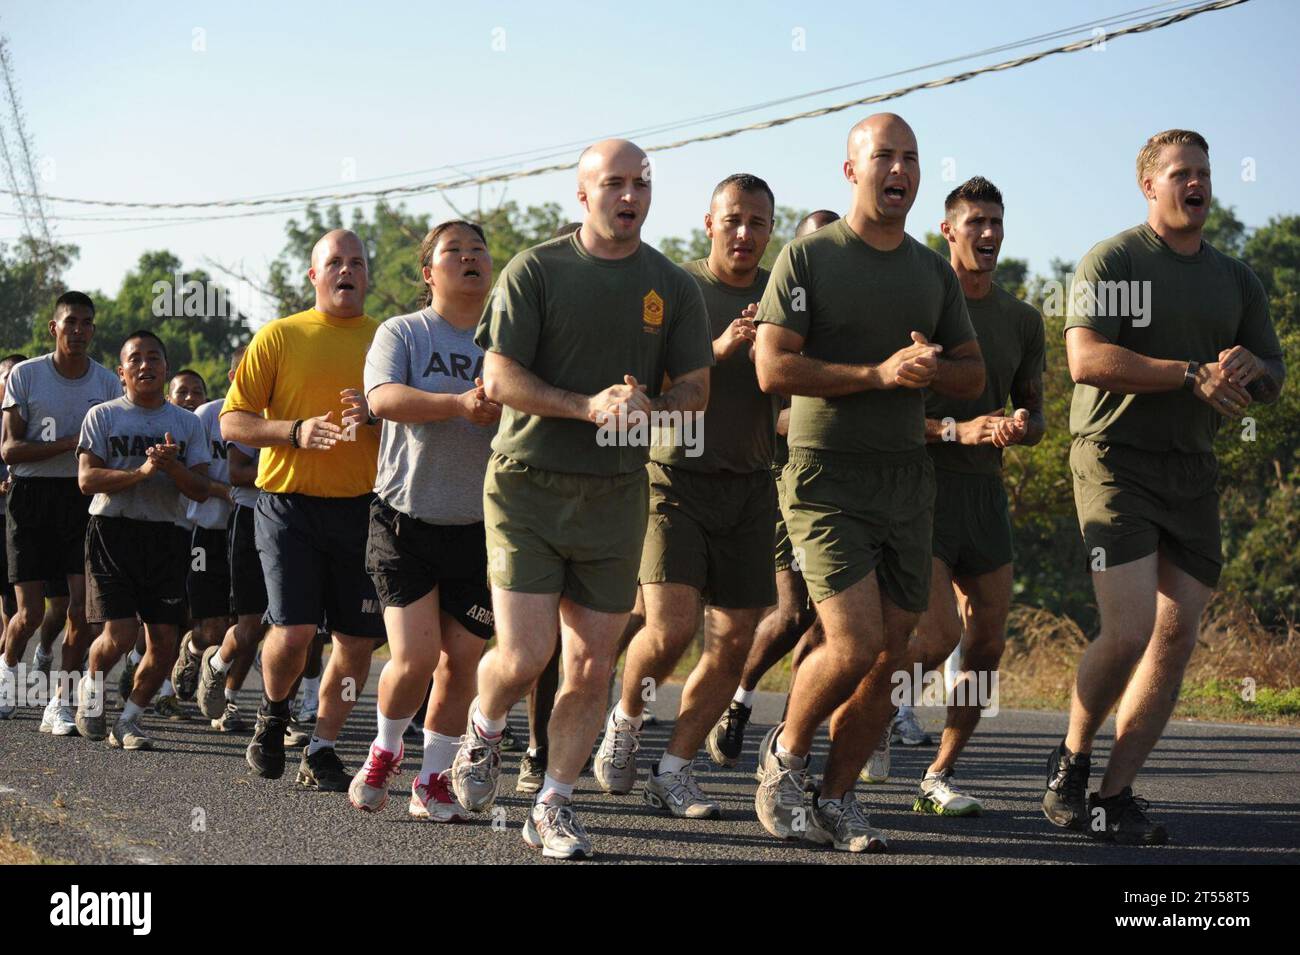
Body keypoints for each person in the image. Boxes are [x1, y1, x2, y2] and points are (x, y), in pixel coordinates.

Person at [453, 138, 712, 859]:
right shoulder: (537, 269)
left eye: (641, 183)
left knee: (592, 663)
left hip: (616, 493)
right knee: (526, 652)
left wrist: (651, 407)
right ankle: (483, 727)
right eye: (614, 183)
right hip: (527, 484)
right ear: (584, 193)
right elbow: (499, 378)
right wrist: (585, 405)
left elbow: (697, 390)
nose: (629, 196)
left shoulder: (673, 287)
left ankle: (554, 803)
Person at [752, 113, 984, 852]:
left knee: (896, 651)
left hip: (906, 481)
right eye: (883, 155)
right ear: (852, 170)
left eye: (911, 157)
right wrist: (878, 374)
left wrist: (930, 368)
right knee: (851, 641)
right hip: (826, 475)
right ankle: (785, 758)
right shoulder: (810, 258)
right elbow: (772, 367)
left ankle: (840, 794)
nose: (900, 168)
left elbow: (975, 374)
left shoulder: (930, 271)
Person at [1045, 129, 1285, 844]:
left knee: (1175, 636)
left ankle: (1113, 796)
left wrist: (1252, 368)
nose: (1197, 183)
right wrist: (1188, 372)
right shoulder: (1115, 259)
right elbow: (1086, 358)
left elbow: (1272, 374)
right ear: (1150, 186)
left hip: (1191, 470)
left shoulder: (1237, 278)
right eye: (1181, 172)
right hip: (1114, 458)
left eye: (1205, 172)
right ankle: (1071, 761)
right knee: (1129, 629)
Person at [601, 173, 778, 819]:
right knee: (671, 625)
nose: (744, 233)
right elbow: (640, 381)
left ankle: (675, 768)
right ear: (709, 223)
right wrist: (721, 348)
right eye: (732, 220)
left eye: (757, 223)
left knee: (734, 640)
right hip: (673, 479)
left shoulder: (781, 294)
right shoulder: (675, 289)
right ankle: (624, 719)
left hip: (752, 483)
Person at [347, 220, 501, 821]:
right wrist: (459, 404)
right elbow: (382, 400)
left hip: (480, 530)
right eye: (454, 252)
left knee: (462, 661)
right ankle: (386, 749)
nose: (469, 260)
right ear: (428, 272)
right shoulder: (403, 332)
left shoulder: (508, 341)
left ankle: (432, 780)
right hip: (404, 520)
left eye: (479, 251)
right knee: (414, 657)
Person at [222, 229, 385, 791]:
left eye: (357, 263)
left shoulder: (388, 341)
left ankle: (322, 747)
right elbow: (233, 422)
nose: (346, 271)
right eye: (334, 263)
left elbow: (416, 419)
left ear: (368, 275)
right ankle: (272, 714)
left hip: (364, 510)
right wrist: (293, 431)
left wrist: (379, 416)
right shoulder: (279, 336)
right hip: (287, 506)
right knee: (293, 632)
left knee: (356, 643)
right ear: (313, 276)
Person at [903, 176, 1045, 815]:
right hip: (920, 489)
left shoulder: (1021, 318)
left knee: (986, 642)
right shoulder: (916, 307)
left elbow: (1036, 416)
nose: (987, 234)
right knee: (933, 639)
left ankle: (938, 774)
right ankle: (863, 717)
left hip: (985, 497)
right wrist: (957, 430)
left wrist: (1018, 426)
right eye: (975, 223)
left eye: (996, 222)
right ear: (948, 231)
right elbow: (880, 414)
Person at [709, 209, 837, 769]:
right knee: (791, 613)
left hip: (851, 484)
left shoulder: (847, 317)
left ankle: (790, 732)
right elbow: (776, 410)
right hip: (786, 480)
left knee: (833, 623)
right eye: (815, 248)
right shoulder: (776, 311)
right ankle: (736, 703)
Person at [73, 331, 211, 749]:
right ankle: (90, 694)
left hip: (165, 536)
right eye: (136, 359)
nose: (145, 366)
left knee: (165, 643)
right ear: (122, 372)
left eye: (154, 359)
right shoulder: (104, 416)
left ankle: (129, 720)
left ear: (165, 369)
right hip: (113, 531)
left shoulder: (187, 423)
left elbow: (201, 489)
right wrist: (142, 474)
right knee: (119, 633)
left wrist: (173, 470)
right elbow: (86, 480)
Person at [0, 293, 121, 732]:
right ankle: (9, 668)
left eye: (87, 323)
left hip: (79, 500)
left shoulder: (107, 383)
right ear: (54, 327)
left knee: (80, 610)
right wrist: (70, 444)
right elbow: (10, 448)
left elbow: (112, 445)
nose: (79, 330)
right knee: (29, 614)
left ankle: (59, 703)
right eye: (71, 322)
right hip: (30, 496)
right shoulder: (27, 375)